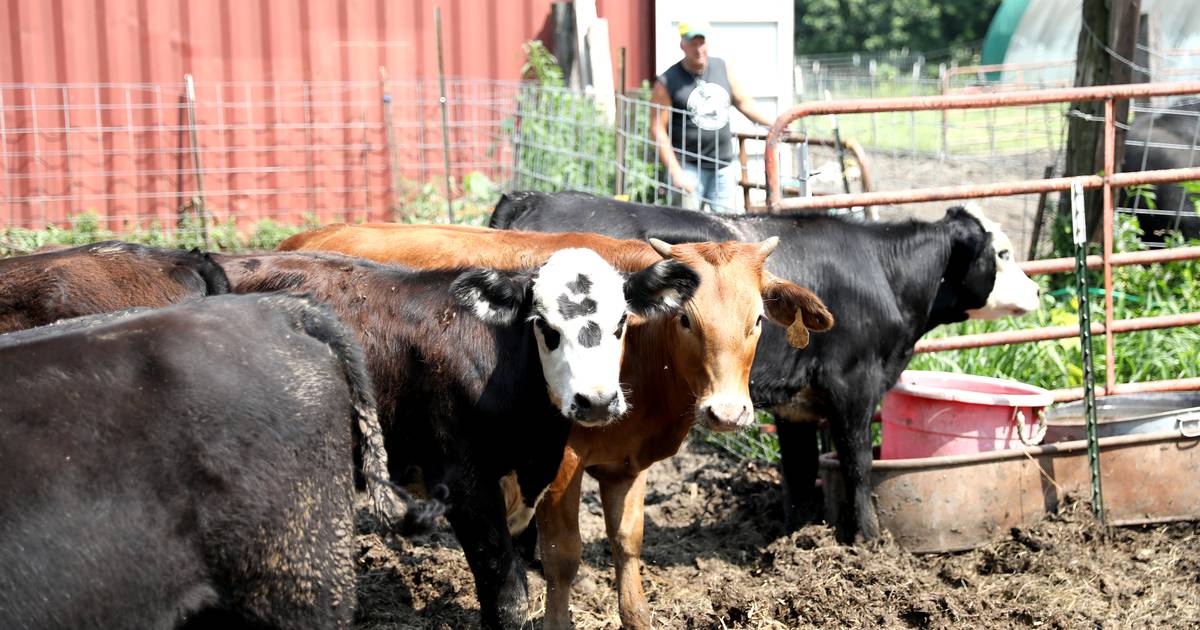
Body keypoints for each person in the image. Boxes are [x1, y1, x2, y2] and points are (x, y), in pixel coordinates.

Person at [652, 20, 775, 213]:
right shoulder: (667, 81)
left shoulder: (721, 68)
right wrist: (676, 171)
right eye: (693, 43)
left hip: (723, 166)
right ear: (682, 45)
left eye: (702, 42)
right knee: (688, 231)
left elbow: (743, 102)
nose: (699, 49)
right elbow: (658, 128)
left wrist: (775, 124)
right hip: (689, 167)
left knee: (725, 228)